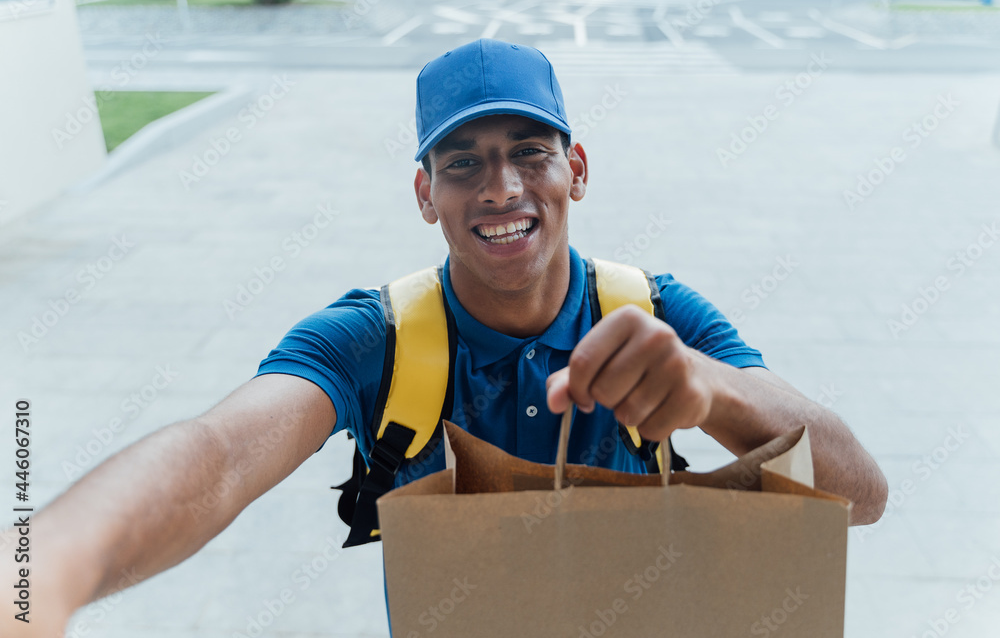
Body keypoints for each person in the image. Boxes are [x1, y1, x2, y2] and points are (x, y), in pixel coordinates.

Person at [1, 38, 888, 636]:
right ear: (425, 193)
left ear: (575, 170)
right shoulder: (376, 338)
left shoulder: (655, 316)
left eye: (529, 151)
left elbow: (863, 490)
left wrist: (712, 389)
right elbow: (219, 454)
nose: (499, 186)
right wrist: (45, 567)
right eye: (462, 162)